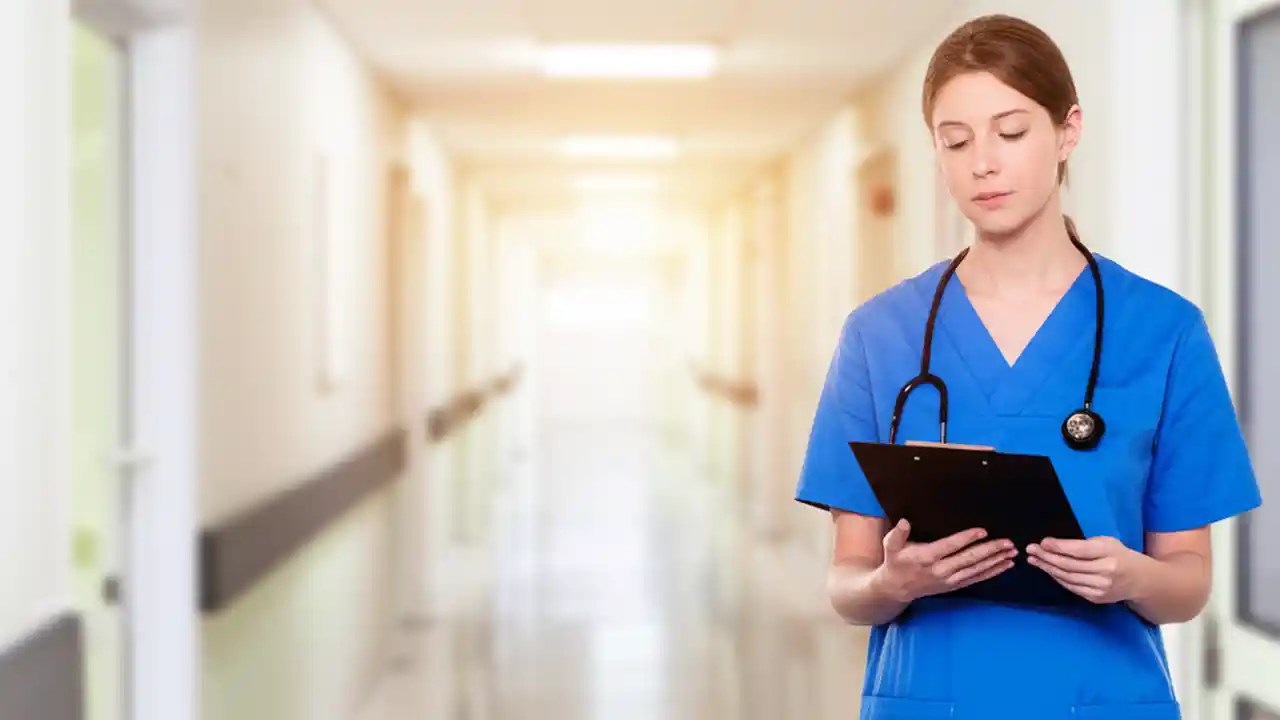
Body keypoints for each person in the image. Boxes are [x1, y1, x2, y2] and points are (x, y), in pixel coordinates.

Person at [794, 14, 1262, 720]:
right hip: (932, 700)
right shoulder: (879, 334)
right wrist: (896, 582)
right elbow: (846, 584)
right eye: (956, 141)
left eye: (1011, 132)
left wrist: (1129, 575)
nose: (983, 162)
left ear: (1067, 131)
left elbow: (1189, 584)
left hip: (1103, 700)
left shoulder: (1163, 333)